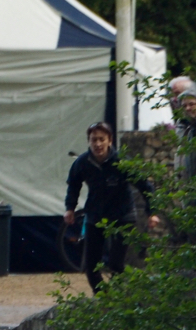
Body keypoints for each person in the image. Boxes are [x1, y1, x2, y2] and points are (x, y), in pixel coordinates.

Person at [64, 122, 156, 292]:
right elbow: (73, 185)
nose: (97, 144)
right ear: (88, 142)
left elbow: (145, 186)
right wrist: (70, 208)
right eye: (93, 140)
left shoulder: (121, 162)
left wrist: (152, 212)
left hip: (122, 215)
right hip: (96, 215)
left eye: (101, 139)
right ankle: (103, 298)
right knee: (91, 265)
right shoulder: (82, 162)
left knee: (115, 263)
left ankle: (118, 297)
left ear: (110, 141)